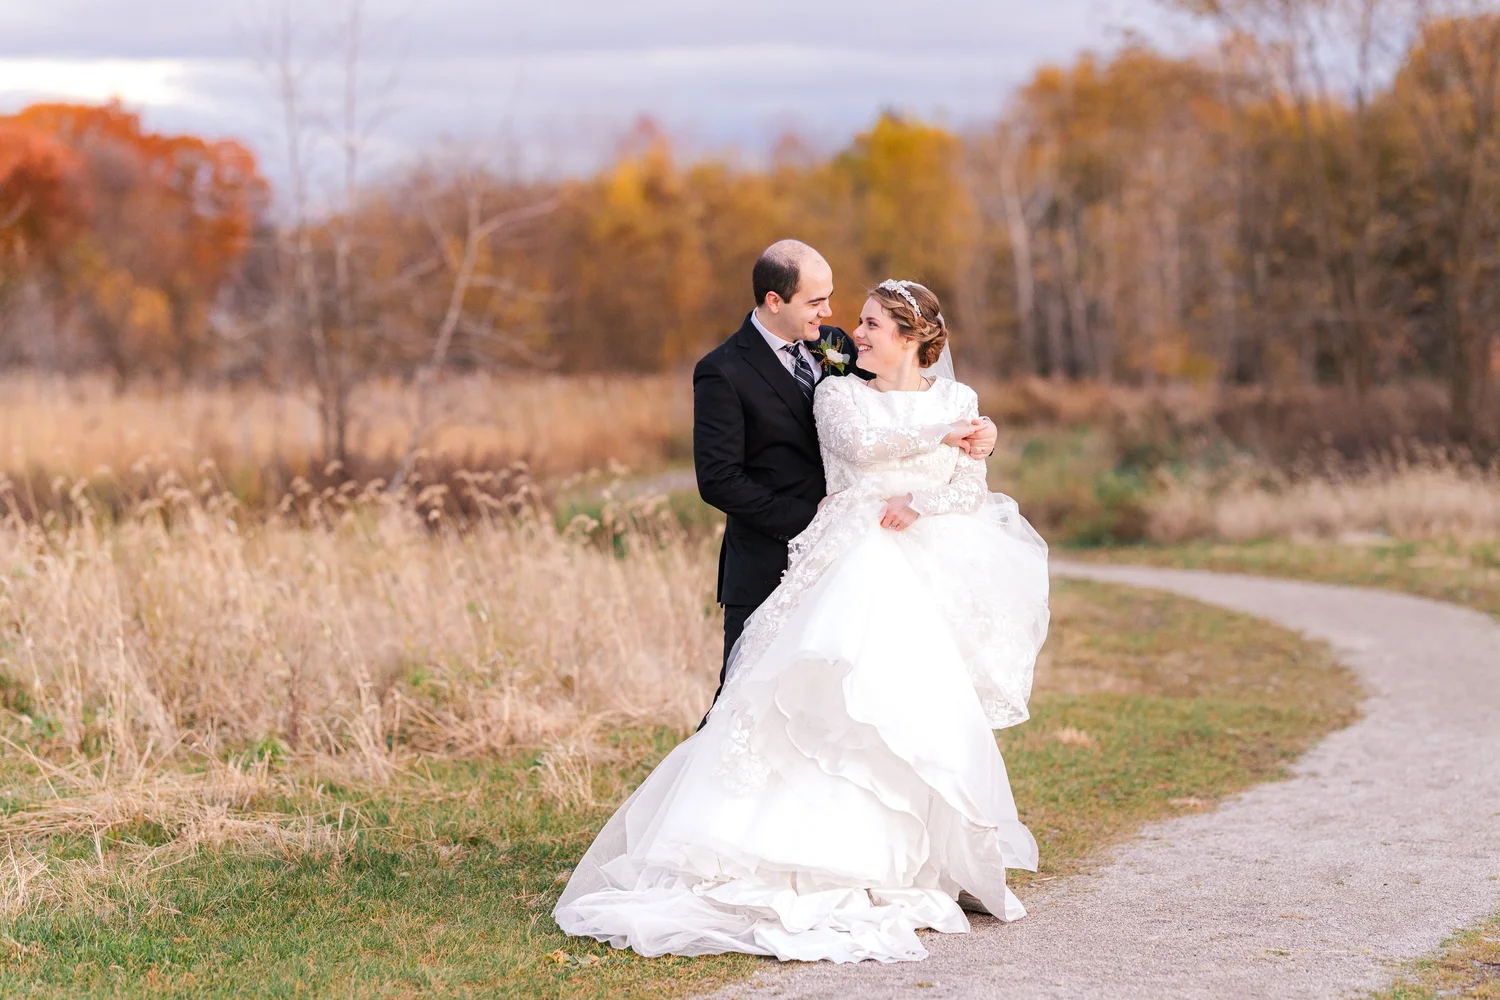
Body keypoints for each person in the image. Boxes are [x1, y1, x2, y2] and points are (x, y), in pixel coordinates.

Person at [552, 274, 1051, 964]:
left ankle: (911, 860)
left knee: (906, 710)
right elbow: (864, 449)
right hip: (847, 557)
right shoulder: (839, 392)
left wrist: (933, 492)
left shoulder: (960, 401)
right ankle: (782, 855)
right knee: (813, 696)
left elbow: (967, 485)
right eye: (861, 320)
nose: (856, 331)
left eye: (874, 324)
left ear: (911, 337)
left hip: (918, 566)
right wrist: (950, 435)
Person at [688, 240, 998, 725]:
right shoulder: (722, 371)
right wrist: (817, 519)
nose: (830, 313)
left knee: (852, 707)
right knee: (743, 707)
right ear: (775, 301)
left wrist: (980, 437)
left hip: (868, 560)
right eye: (816, 301)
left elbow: (900, 396)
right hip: (771, 559)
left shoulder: (835, 345)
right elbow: (719, 480)